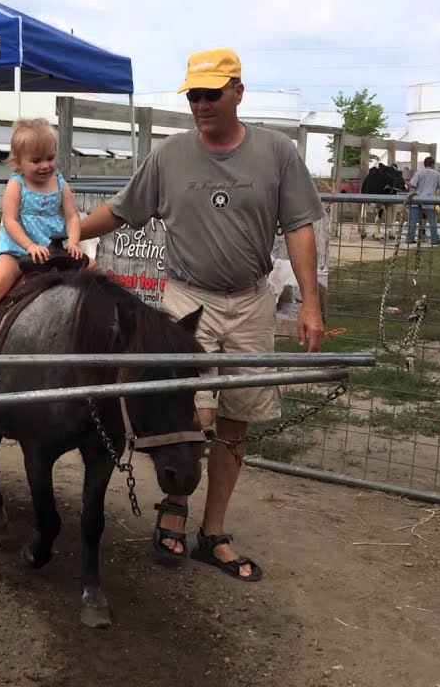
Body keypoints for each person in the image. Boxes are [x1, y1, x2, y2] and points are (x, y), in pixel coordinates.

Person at [78, 47, 328, 582]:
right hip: (186, 302)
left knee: (236, 417)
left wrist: (310, 302)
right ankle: (174, 508)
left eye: (211, 94)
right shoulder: (169, 156)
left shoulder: (277, 153)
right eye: (193, 95)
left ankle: (213, 532)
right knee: (186, 409)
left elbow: (300, 226)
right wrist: (68, 232)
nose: (201, 104)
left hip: (251, 302)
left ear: (237, 91)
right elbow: (120, 210)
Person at [0, 118, 83, 356]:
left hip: (54, 250)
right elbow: (10, 220)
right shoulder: (17, 185)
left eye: (50, 158)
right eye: (36, 161)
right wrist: (29, 245)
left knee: (92, 274)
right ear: (19, 162)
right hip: (18, 250)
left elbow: (72, 217)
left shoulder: (60, 184)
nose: (45, 165)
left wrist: (74, 241)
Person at [406, 156, 440, 245]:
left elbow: (412, 185)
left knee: (412, 221)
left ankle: (410, 238)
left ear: (424, 164)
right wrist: (434, 186)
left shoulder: (418, 173)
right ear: (432, 164)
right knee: (432, 221)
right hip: (429, 200)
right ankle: (434, 238)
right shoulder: (436, 174)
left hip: (417, 199)